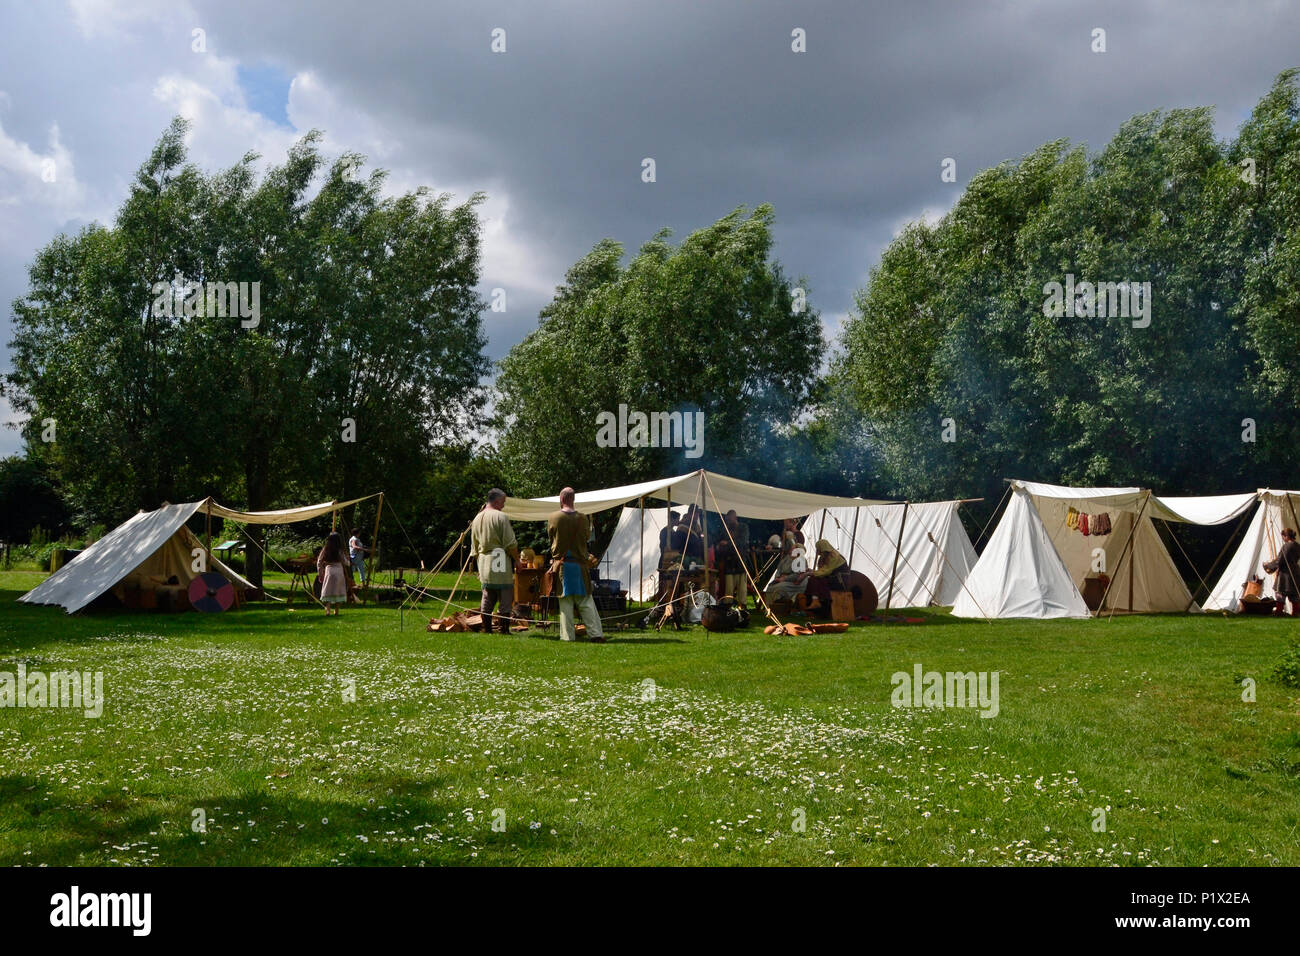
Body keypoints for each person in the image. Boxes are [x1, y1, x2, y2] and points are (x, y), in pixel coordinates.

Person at [547, 487, 606, 643]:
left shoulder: (554, 517)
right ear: (573, 499)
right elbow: (586, 537)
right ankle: (595, 634)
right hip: (580, 565)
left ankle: (567, 637)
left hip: (562, 566)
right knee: (586, 601)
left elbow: (551, 536)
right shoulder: (583, 518)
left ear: (561, 499)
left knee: (565, 603)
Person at [471, 488, 519, 635]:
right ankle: (503, 629)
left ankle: (487, 628)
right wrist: (517, 560)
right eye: (503, 502)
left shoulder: (477, 518)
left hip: (483, 561)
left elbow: (475, 546)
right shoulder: (501, 516)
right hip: (499, 559)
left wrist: (478, 566)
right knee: (505, 593)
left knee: (487, 594)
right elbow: (510, 543)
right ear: (497, 501)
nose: (503, 505)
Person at [718, 509, 751, 605]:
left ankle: (742, 605)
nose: (728, 522)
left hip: (740, 559)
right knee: (729, 587)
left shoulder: (743, 527)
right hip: (729, 560)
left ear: (735, 518)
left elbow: (742, 541)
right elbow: (719, 540)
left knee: (742, 587)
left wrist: (727, 543)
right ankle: (728, 604)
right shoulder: (725, 529)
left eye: (729, 520)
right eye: (727, 520)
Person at [1266, 527, 1300, 617]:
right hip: (1295, 572)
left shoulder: (1287, 546)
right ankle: (1296, 612)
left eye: (1283, 537)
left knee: (1280, 592)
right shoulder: (1297, 545)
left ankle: (1279, 612)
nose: (1283, 539)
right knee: (1294, 594)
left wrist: (1268, 566)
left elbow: (1279, 560)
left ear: (1286, 536)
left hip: (1286, 573)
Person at [316, 531, 351, 616]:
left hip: (329, 571)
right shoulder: (340, 550)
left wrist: (320, 573)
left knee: (328, 590)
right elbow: (346, 563)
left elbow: (319, 561)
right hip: (339, 571)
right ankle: (336, 611)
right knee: (338, 590)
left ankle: (327, 610)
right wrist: (348, 561)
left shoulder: (325, 549)